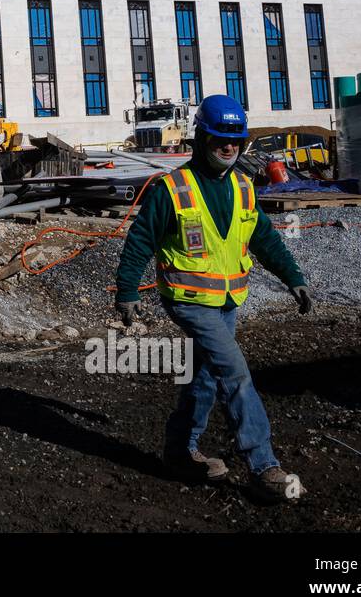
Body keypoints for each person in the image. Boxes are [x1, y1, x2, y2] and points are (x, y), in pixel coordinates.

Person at [113, 94, 315, 502]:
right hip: (188, 300)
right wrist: (128, 290)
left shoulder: (243, 186)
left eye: (236, 140)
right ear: (201, 138)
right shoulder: (173, 188)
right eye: (220, 139)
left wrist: (293, 276)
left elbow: (264, 238)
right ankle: (263, 466)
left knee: (204, 377)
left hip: (226, 300)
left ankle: (179, 452)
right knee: (234, 372)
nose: (229, 147)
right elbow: (141, 239)